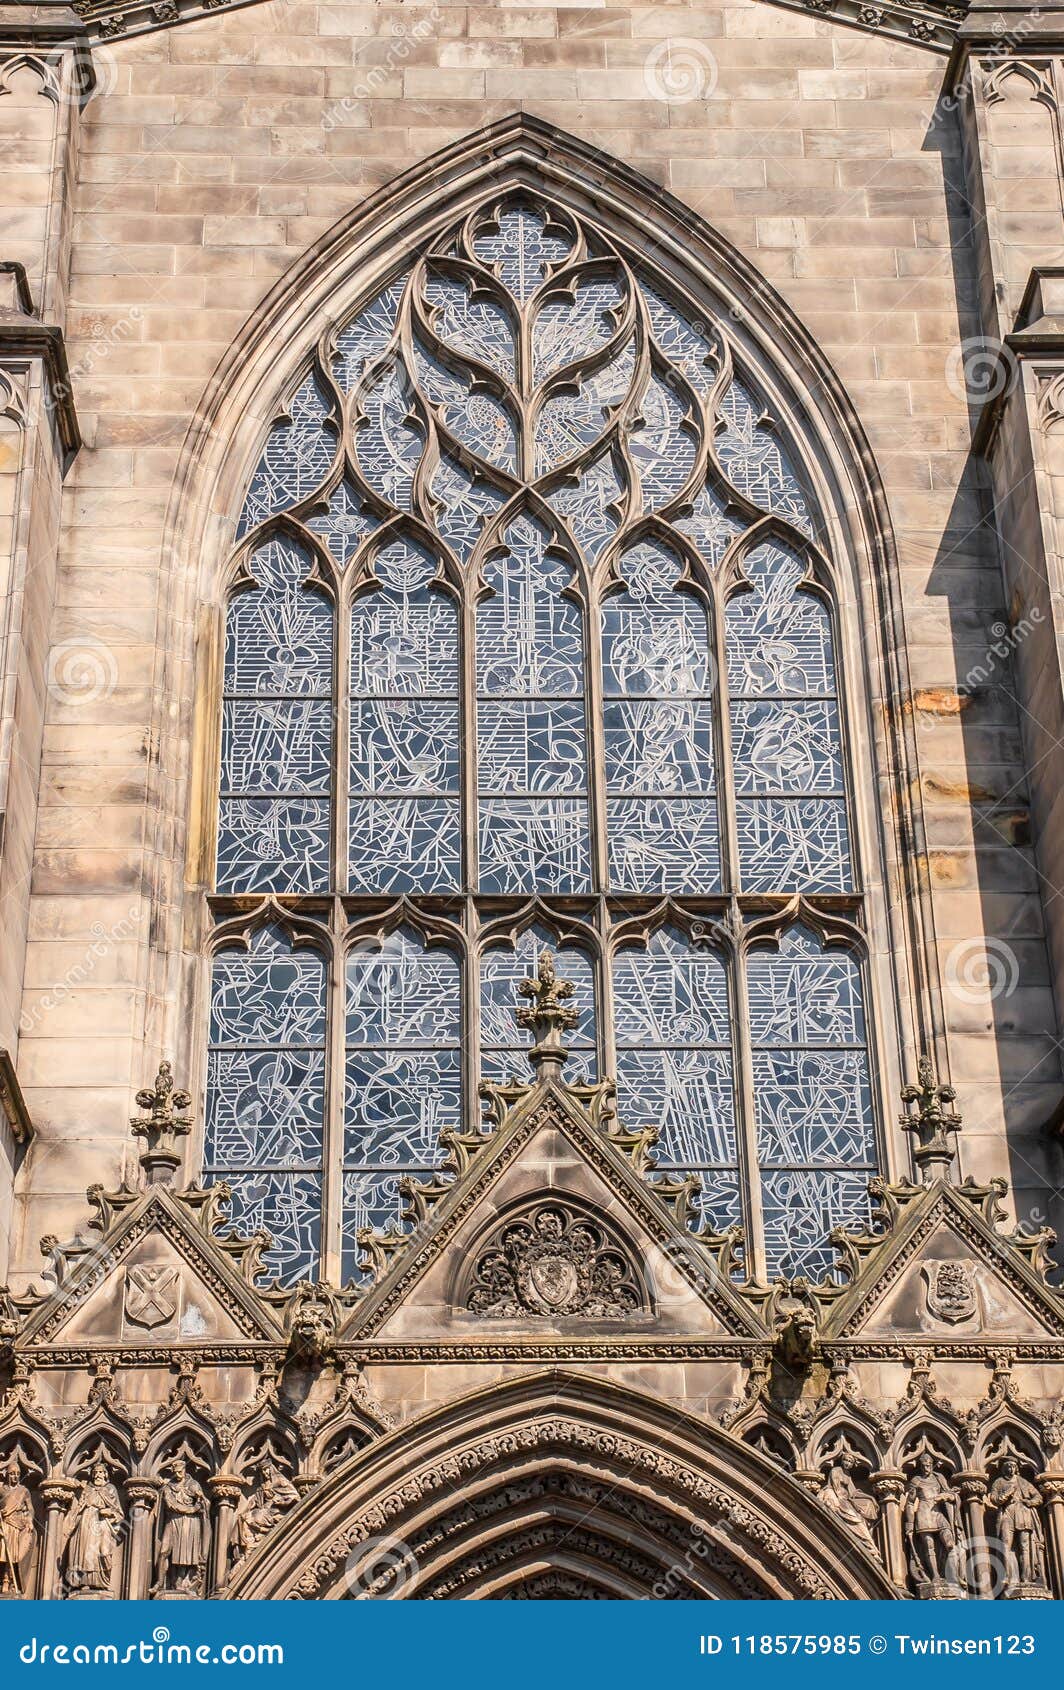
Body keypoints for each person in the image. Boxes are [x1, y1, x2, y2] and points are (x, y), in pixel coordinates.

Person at [63, 1462, 123, 1593]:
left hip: (102, 1524)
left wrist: (109, 1512)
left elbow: (119, 1513)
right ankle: (85, 1582)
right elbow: (78, 1508)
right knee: (85, 1553)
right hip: (86, 1522)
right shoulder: (88, 1489)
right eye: (95, 1472)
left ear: (106, 1474)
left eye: (101, 1472)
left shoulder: (111, 1489)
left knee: (104, 1552)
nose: (98, 1475)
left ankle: (102, 1582)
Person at [989, 1456, 1047, 1589]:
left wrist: (1030, 1502)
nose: (1011, 1468)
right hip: (1007, 1513)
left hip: (1023, 1513)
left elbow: (1038, 1496)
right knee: (1005, 1545)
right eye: (1008, 1466)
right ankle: (1008, 1576)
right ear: (1004, 1468)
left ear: (1016, 1468)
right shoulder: (998, 1482)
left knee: (1024, 1547)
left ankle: (1026, 1576)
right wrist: (1005, 1495)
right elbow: (993, 1498)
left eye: (1013, 1466)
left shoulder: (1023, 1482)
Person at [154, 1457, 209, 1595]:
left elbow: (202, 1502)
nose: (178, 1474)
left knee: (187, 1555)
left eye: (180, 1471)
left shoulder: (194, 1484)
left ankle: (182, 1582)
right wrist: (192, 1509)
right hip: (173, 1521)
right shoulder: (168, 1487)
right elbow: (171, 1504)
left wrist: (201, 1500)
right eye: (176, 1472)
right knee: (163, 1551)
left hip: (190, 1522)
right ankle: (160, 1583)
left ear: (184, 1470)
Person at [820, 1452, 879, 1553]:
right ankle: (867, 1543)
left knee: (868, 1504)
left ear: (853, 1464)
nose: (847, 1463)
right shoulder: (836, 1470)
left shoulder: (847, 1475)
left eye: (850, 1462)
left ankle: (869, 1542)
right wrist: (845, 1501)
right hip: (836, 1498)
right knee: (855, 1518)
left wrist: (870, 1497)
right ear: (842, 1461)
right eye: (846, 1460)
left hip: (846, 1499)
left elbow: (853, 1492)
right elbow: (836, 1488)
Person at [0, 1458, 35, 1596]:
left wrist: (30, 1520)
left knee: (14, 1556)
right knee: (3, 1554)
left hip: (17, 1526)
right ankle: (4, 1580)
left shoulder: (24, 1491)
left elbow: (31, 1508)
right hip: (5, 1524)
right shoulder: (1, 1490)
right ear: (7, 1474)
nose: (15, 1476)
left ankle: (9, 1581)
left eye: (17, 1474)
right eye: (12, 1473)